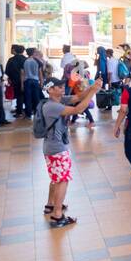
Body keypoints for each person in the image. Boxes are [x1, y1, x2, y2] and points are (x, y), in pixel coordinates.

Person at [37, 76, 101, 228]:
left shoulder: (57, 101)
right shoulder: (52, 106)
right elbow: (78, 109)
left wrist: (91, 88)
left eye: (62, 86)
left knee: (56, 179)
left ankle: (50, 205)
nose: (62, 88)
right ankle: (58, 215)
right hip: (57, 149)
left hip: (52, 147)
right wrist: (94, 93)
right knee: (62, 180)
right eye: (58, 87)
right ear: (50, 90)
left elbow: (78, 97)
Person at [4, 43, 27, 118]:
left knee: (18, 95)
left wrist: (9, 79)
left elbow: (7, 70)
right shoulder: (26, 59)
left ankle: (19, 111)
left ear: (15, 50)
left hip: (14, 80)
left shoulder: (11, 60)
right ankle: (23, 110)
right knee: (23, 95)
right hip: (25, 80)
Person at [21, 46, 43, 121]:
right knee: (36, 98)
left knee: (28, 98)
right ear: (33, 53)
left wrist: (22, 84)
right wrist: (41, 82)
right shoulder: (37, 61)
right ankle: (37, 114)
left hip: (27, 81)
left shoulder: (24, 61)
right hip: (35, 81)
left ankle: (28, 114)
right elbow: (40, 73)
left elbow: (22, 73)